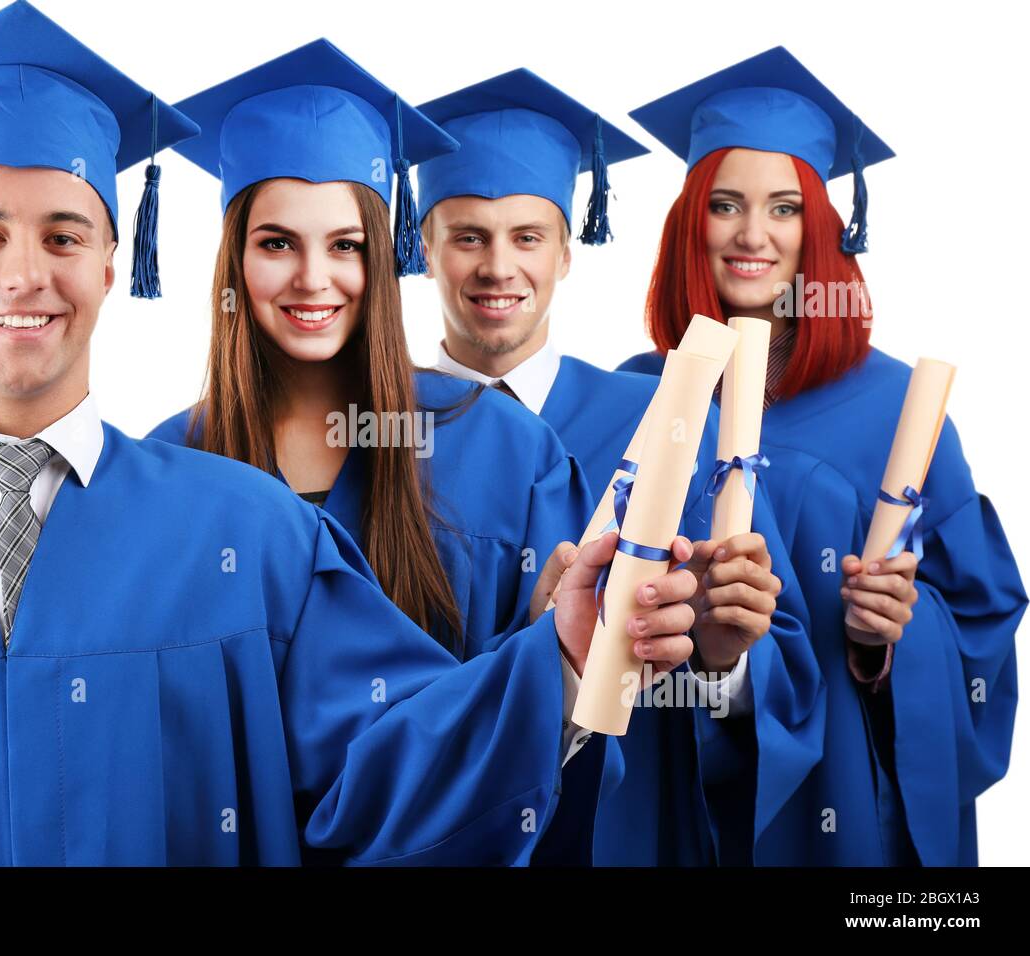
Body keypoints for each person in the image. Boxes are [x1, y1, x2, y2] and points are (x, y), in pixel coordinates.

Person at [0, 1, 702, 867]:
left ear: (115, 259)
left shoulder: (251, 526)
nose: (25, 272)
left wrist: (561, 656)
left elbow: (388, 762)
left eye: (64, 234)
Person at [145, 41, 701, 792]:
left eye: (346, 244)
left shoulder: (507, 452)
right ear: (233, 261)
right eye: (276, 242)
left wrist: (565, 656)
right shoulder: (170, 467)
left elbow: (569, 735)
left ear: (384, 256)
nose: (314, 278)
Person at [618, 46, 1024, 865]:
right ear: (691, 223)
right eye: (725, 205)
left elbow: (979, 626)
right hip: (678, 809)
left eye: (784, 209)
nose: (752, 235)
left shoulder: (898, 409)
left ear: (823, 231)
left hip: (848, 822)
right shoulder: (637, 399)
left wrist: (888, 646)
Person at [414, 68, 822, 865]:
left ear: (567, 252)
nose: (500, 268)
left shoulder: (667, 417)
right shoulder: (384, 441)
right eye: (468, 236)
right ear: (421, 246)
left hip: (634, 834)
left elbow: (785, 664)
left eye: (528, 237)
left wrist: (720, 659)